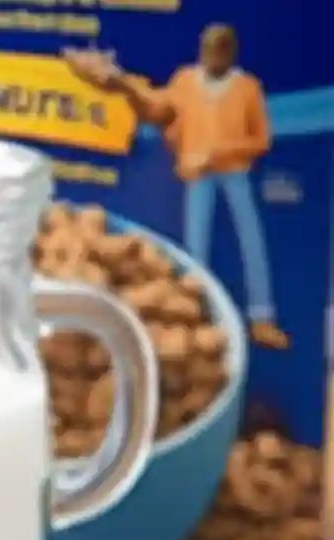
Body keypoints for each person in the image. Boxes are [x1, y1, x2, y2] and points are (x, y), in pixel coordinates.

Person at [65, 25, 288, 349]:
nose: (211, 61)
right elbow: (157, 110)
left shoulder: (247, 88)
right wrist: (121, 83)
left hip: (234, 173)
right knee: (196, 245)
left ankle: (262, 317)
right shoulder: (185, 81)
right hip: (196, 174)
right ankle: (201, 314)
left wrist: (216, 154)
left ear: (230, 55)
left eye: (219, 55)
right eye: (207, 53)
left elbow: (261, 140)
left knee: (251, 239)